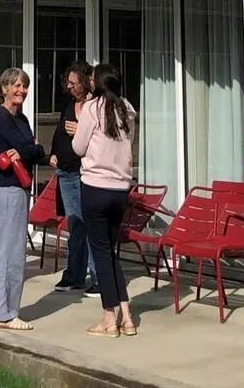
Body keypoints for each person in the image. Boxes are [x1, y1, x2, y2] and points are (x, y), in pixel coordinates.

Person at [72, 63, 138, 337]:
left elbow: (78, 147)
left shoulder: (92, 108)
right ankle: (127, 316)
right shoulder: (127, 109)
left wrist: (78, 126)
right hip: (120, 189)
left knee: (100, 253)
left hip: (95, 186)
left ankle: (109, 317)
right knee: (109, 252)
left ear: (97, 83)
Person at [0, 68, 44, 331]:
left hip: (16, 188)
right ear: (4, 88)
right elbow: (30, 147)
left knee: (3, 250)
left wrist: (32, 149)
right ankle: (6, 314)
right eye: (16, 86)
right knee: (13, 252)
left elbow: (34, 150)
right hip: (8, 189)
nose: (21, 91)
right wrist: (32, 149)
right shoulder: (1, 116)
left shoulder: (22, 118)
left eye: (24, 86)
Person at [49, 60, 99, 295]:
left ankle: (98, 278)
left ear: (86, 82)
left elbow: (102, 138)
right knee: (75, 225)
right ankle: (74, 275)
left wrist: (80, 130)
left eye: (74, 83)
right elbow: (59, 131)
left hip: (86, 173)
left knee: (91, 226)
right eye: (67, 83)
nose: (69, 87)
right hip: (66, 172)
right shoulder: (69, 104)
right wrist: (53, 153)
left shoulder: (96, 105)